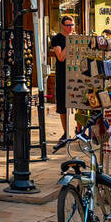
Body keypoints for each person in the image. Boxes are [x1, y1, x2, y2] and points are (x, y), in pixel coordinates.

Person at [49, 16, 74, 146]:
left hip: (75, 75)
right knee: (63, 106)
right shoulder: (57, 39)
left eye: (72, 25)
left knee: (79, 104)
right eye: (68, 25)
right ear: (63, 26)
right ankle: (66, 132)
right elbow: (60, 57)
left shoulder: (75, 38)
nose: (70, 28)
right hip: (62, 75)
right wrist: (69, 42)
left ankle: (79, 130)